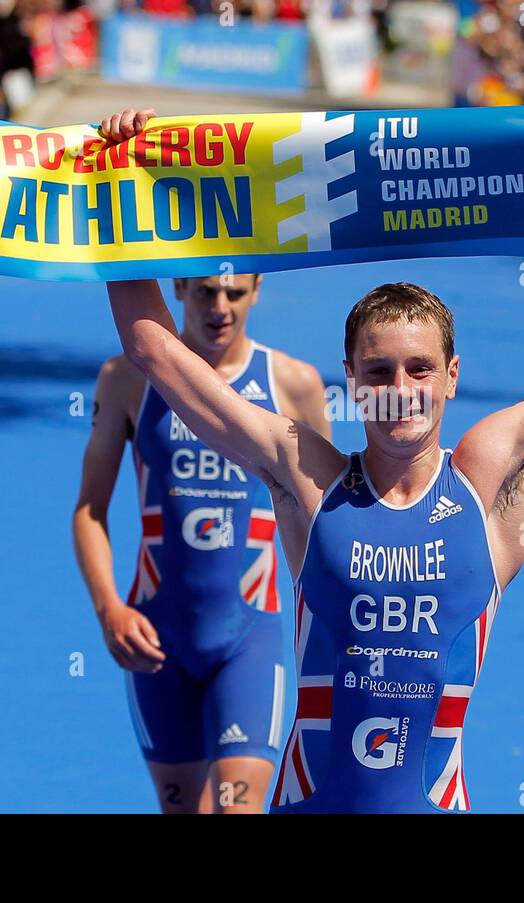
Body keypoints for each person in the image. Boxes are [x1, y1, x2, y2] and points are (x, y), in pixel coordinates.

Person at [98, 87, 524, 812]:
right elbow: (153, 349)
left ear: (452, 376)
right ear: (352, 380)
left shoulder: (489, 472)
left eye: (420, 368)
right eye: (379, 370)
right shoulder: (307, 475)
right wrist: (115, 181)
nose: (401, 388)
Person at [73, 273, 330, 813]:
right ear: (181, 287)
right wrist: (108, 611)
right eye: (207, 291)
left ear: (256, 289)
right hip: (156, 638)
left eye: (235, 293)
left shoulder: (293, 383)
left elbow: (324, 520)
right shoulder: (126, 380)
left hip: (249, 638)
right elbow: (90, 510)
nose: (220, 307)